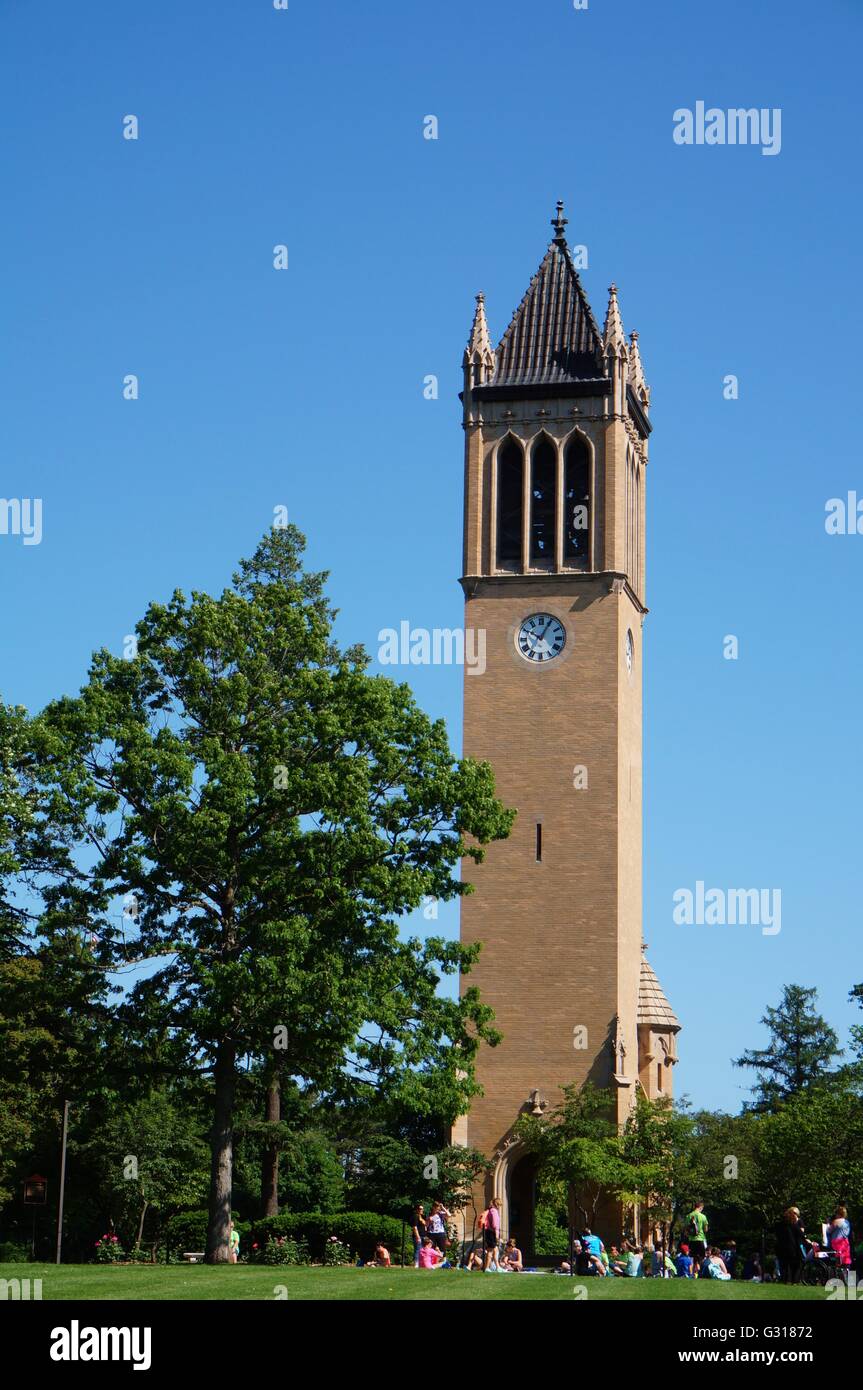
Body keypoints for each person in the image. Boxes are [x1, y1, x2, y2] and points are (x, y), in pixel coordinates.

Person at [775, 1206, 808, 1285]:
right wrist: (807, 1239)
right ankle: (794, 1281)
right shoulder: (793, 1225)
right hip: (793, 1247)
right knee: (796, 1264)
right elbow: (801, 1234)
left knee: (785, 1265)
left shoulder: (780, 1224)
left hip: (782, 1247)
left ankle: (786, 1280)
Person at [686, 1200, 709, 1273]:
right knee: (702, 1256)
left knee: (693, 1257)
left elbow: (686, 1229)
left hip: (691, 1240)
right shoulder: (703, 1216)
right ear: (700, 1207)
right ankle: (701, 1272)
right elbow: (706, 1230)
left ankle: (693, 1273)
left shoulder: (689, 1216)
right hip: (700, 1239)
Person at [479, 1197, 501, 1271]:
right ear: (497, 1204)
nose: (500, 1206)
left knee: (494, 1250)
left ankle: (498, 1267)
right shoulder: (494, 1211)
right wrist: (497, 1235)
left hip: (488, 1232)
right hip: (492, 1233)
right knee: (490, 1251)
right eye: (499, 1204)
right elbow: (495, 1224)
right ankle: (487, 1268)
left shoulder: (490, 1210)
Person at [411, 1204, 427, 1268]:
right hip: (418, 1236)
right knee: (417, 1250)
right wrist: (418, 1237)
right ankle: (416, 1264)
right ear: (417, 1210)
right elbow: (414, 1227)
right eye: (420, 1209)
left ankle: (420, 1263)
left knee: (421, 1250)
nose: (422, 1210)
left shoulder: (422, 1216)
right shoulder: (415, 1216)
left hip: (423, 1235)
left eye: (422, 1209)